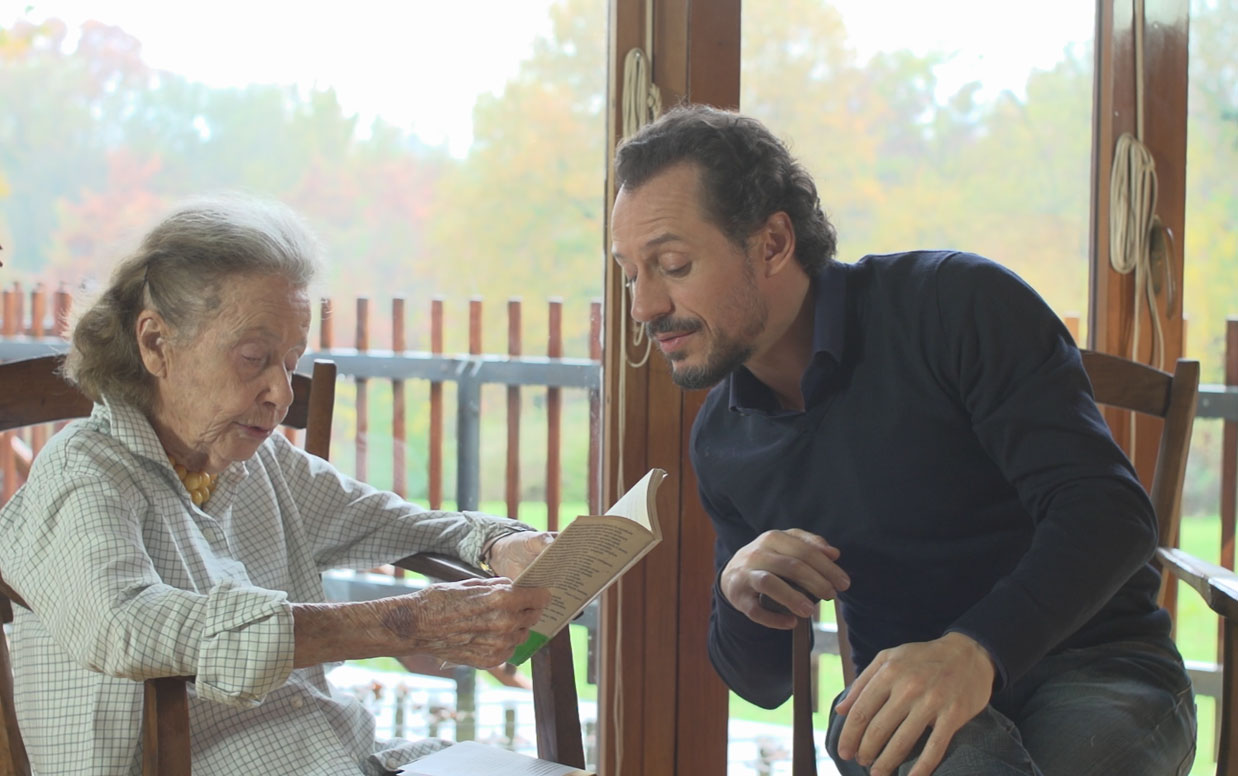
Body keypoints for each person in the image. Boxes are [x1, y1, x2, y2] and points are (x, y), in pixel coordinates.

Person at [610, 105, 1196, 776]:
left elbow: (1109, 513)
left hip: (1099, 670)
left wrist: (975, 650)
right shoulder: (723, 438)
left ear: (772, 243)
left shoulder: (956, 304)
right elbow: (764, 685)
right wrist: (740, 594)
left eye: (673, 264)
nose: (643, 306)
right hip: (902, 700)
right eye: (631, 273)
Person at [0, 196, 553, 775]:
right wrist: (402, 624)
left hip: (339, 759)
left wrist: (497, 541)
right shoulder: (84, 472)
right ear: (156, 344)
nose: (282, 394)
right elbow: (127, 626)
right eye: (253, 358)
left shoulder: (259, 463)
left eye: (290, 362)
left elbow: (406, 523)